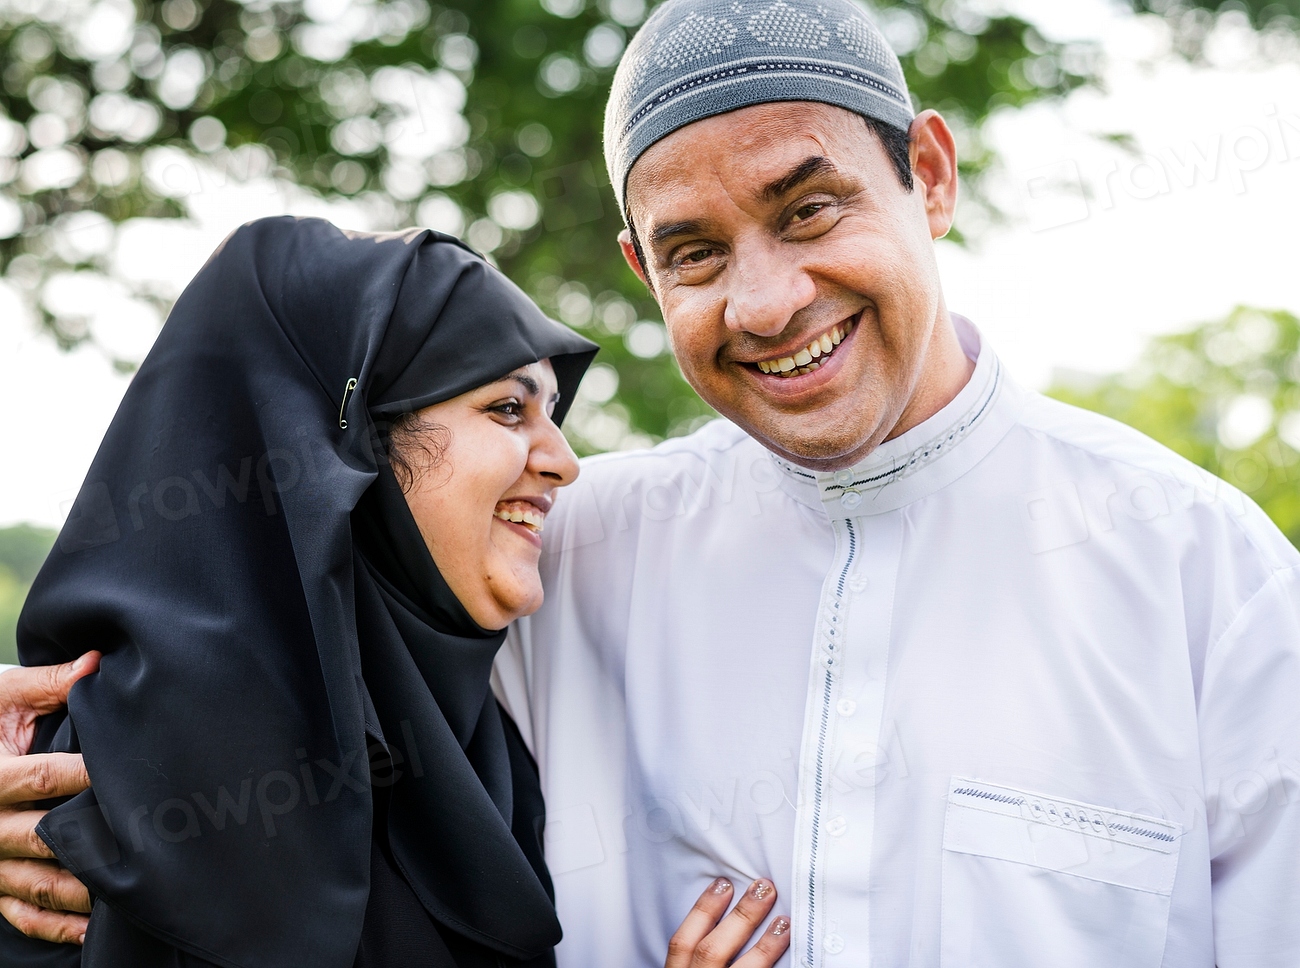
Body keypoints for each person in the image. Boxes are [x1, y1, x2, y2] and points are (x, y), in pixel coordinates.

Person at [7, 0, 1300, 964]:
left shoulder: (1204, 578)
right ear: (642, 270)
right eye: (694, 252)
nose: (767, 300)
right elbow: (294, 649)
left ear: (932, 176)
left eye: (810, 209)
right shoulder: (574, 559)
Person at [0, 216, 792, 967]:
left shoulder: (491, 755)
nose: (564, 460)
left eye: (554, 414)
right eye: (508, 408)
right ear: (342, 452)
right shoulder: (80, 788)